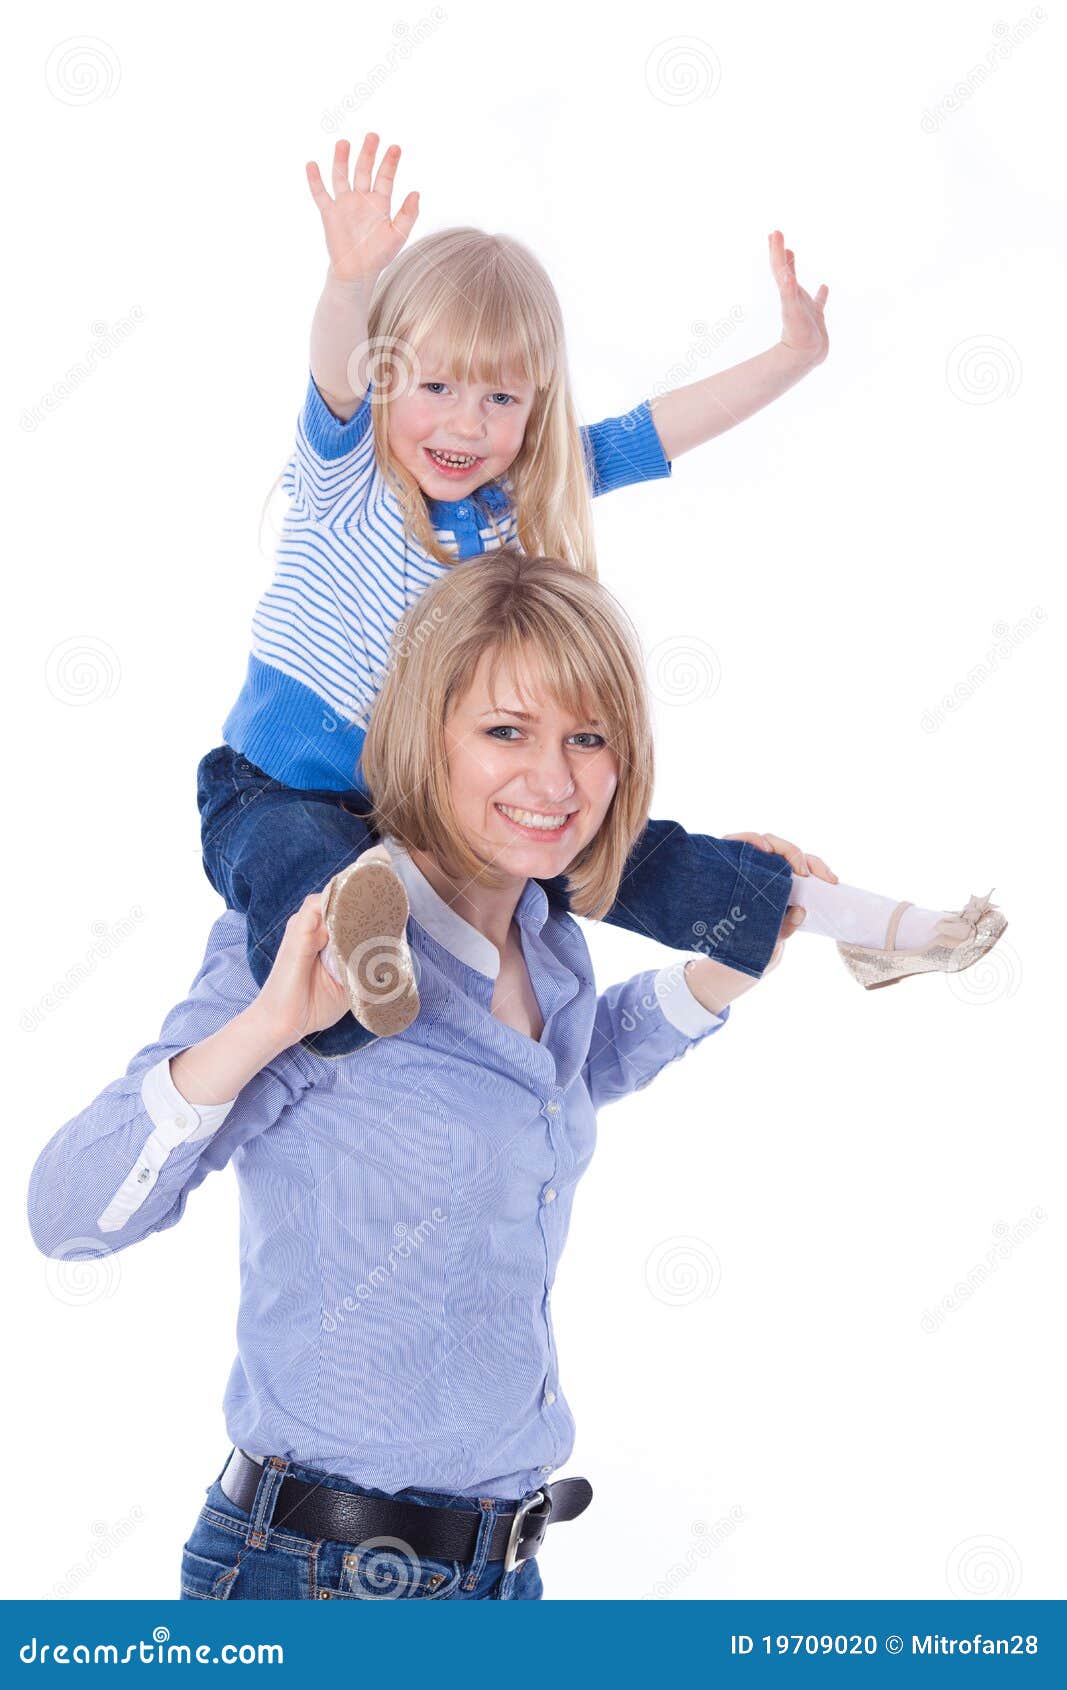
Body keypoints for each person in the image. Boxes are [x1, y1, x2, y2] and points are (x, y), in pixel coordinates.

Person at [29, 554, 806, 1601]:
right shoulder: (321, 937)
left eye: (587, 737)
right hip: (318, 1581)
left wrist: (715, 975)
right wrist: (269, 1023)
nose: (553, 780)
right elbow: (70, 1215)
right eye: (504, 731)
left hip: (500, 1578)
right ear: (422, 737)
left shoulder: (547, 937)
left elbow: (546, 1087)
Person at [200, 133, 1006, 1059]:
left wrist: (790, 358)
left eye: (501, 400)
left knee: (609, 847)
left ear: (535, 405)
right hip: (279, 790)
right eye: (435, 387)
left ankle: (858, 919)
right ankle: (357, 965)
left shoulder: (518, 500)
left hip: (427, 798)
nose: (466, 424)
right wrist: (347, 284)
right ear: (384, 380)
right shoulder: (349, 472)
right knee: (301, 865)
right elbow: (336, 359)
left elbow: (658, 429)